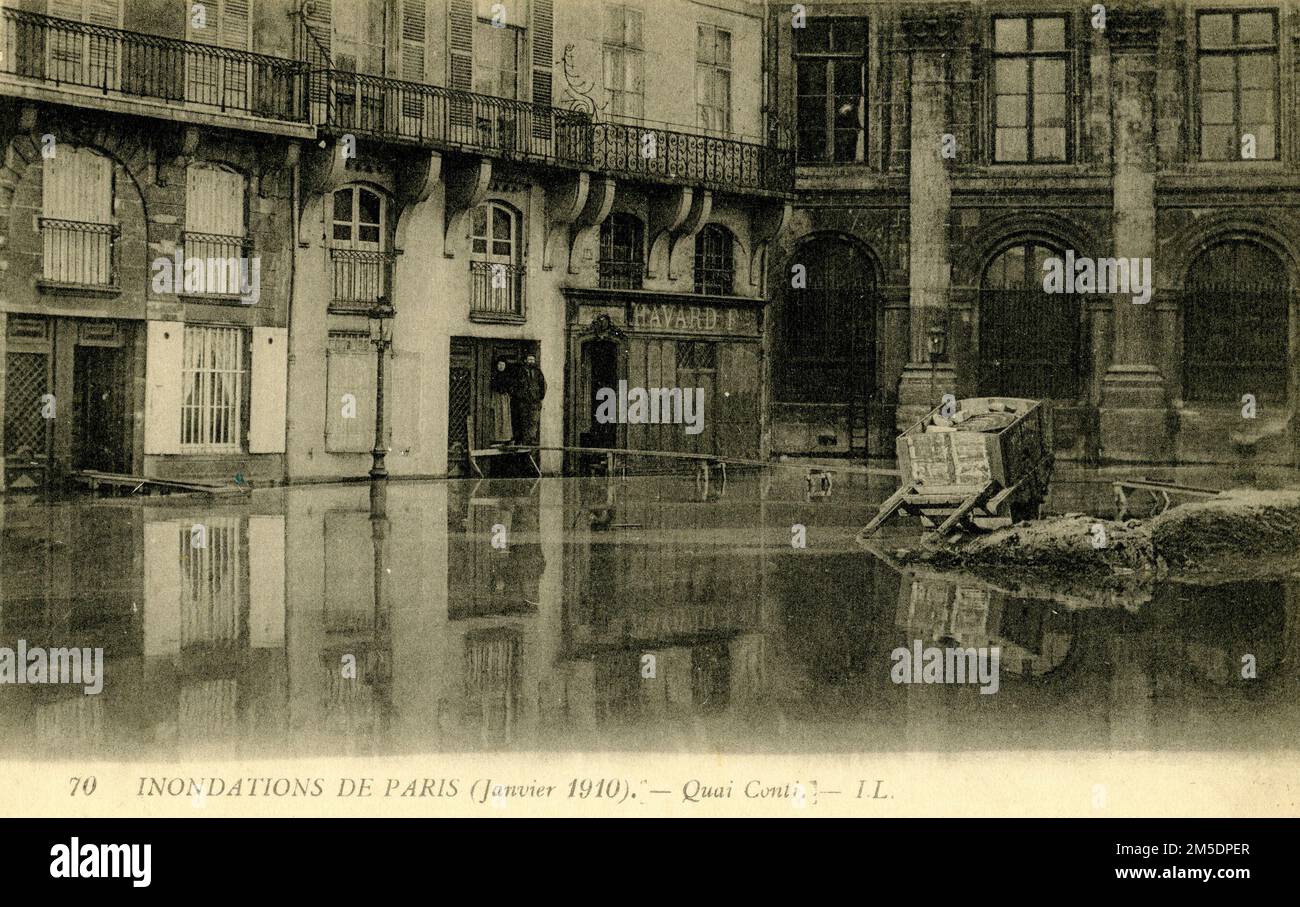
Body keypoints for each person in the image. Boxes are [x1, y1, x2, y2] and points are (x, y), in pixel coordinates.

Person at [511, 353, 546, 446]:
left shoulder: (538, 372)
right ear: (525, 360)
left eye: (532, 360)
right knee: (523, 421)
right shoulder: (520, 372)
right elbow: (514, 386)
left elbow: (543, 385)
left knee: (534, 421)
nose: (531, 361)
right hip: (523, 402)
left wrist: (540, 397)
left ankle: (531, 440)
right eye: (529, 359)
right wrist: (520, 395)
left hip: (534, 402)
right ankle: (524, 441)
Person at [489, 358, 513, 446]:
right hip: (496, 397)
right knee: (496, 416)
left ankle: (505, 437)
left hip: (504, 399)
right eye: (499, 365)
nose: (501, 366)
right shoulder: (494, 375)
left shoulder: (507, 376)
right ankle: (496, 437)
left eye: (503, 365)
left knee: (505, 416)